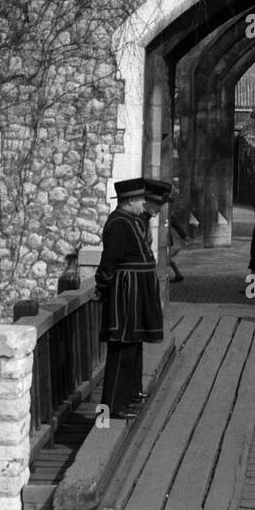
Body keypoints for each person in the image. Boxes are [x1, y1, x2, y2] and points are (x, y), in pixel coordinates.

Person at [95, 178, 164, 419]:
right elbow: (109, 260)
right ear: (131, 201)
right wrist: (104, 285)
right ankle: (113, 404)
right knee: (122, 346)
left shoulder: (133, 220)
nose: (144, 203)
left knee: (133, 344)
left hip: (137, 289)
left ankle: (130, 394)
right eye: (141, 199)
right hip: (126, 291)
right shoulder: (118, 223)